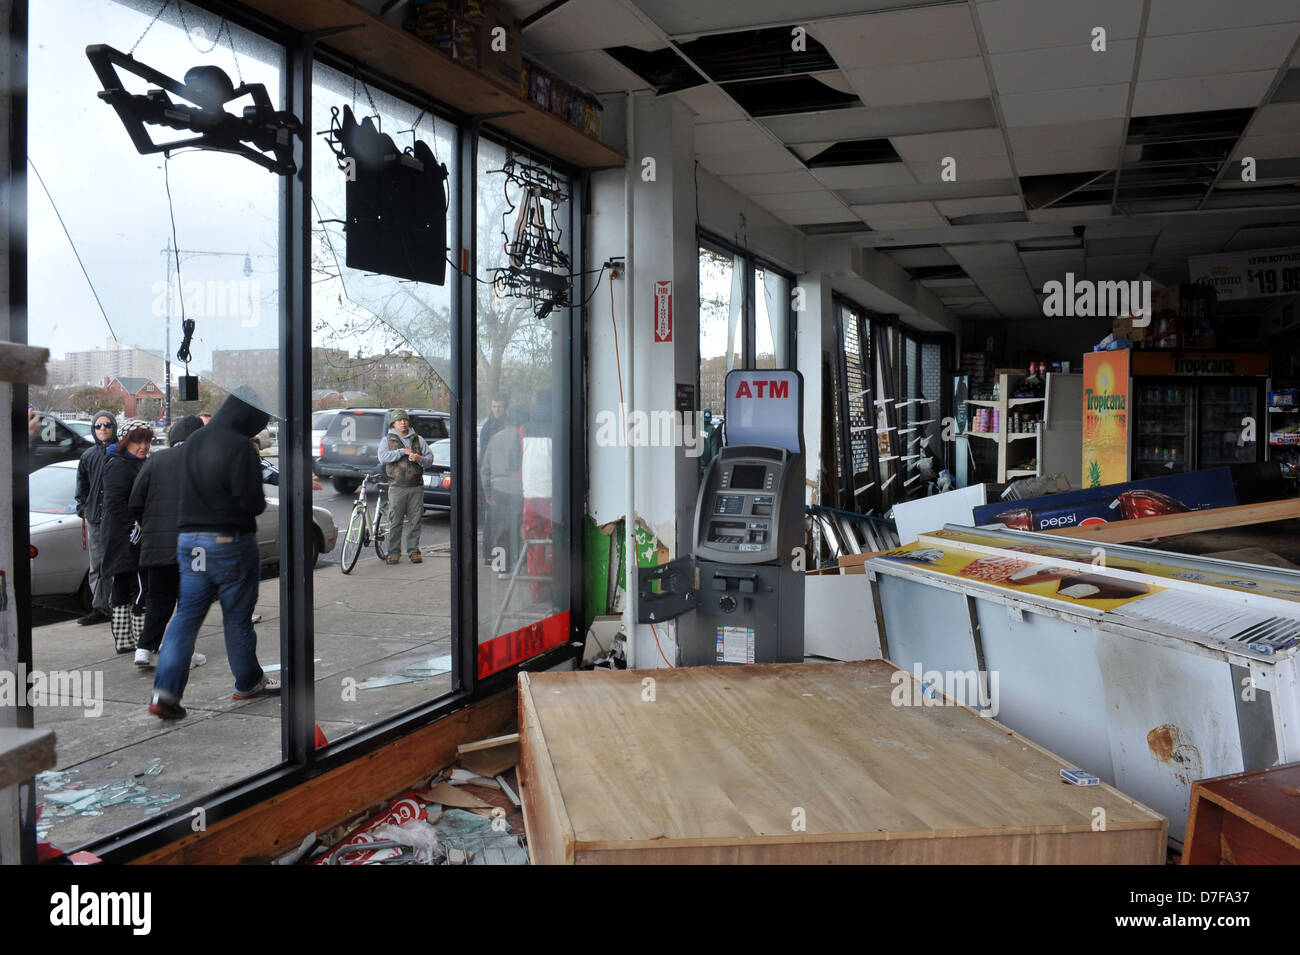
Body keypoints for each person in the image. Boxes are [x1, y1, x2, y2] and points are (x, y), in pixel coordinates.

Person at [149, 390, 279, 720]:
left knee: (186, 616)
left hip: (190, 542)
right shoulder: (240, 447)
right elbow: (253, 503)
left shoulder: (193, 440)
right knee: (236, 616)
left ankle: (165, 694)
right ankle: (248, 682)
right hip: (230, 541)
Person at [128, 415, 207, 670]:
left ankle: (144, 649)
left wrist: (152, 526)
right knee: (189, 602)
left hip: (156, 545)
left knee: (159, 600)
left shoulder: (155, 460)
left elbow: (135, 502)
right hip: (194, 545)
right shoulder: (205, 462)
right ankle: (184, 651)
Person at [100, 420, 153, 653]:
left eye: (147, 441)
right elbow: (114, 502)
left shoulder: (126, 462)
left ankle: (125, 641)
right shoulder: (120, 464)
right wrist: (135, 529)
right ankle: (144, 642)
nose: (144, 446)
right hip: (127, 536)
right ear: (125, 441)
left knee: (123, 586)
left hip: (121, 535)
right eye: (138, 441)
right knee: (140, 586)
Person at [73, 410, 118, 626]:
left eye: (107, 425)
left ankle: (121, 605)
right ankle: (100, 608)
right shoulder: (87, 456)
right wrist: (83, 507)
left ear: (114, 426)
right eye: (98, 426)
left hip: (118, 519)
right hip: (95, 519)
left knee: (121, 564)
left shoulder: (123, 451)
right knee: (97, 565)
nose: (103, 429)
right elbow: (81, 487)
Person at [377, 408, 434, 564]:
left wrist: (419, 458)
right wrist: (402, 451)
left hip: (416, 486)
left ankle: (414, 551)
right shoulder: (387, 440)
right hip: (397, 487)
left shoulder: (418, 439)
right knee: (395, 521)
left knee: (415, 521)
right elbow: (383, 457)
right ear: (394, 424)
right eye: (399, 420)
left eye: (405, 420)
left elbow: (430, 459)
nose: (403, 423)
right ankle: (393, 552)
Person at [481, 408, 524, 569]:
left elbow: (485, 469)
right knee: (515, 527)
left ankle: (500, 566)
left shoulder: (495, 438)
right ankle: (515, 562)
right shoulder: (522, 438)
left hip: (497, 489)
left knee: (498, 528)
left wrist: (487, 492)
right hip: (518, 489)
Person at [521, 390, 554, 602]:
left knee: (534, 545)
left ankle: (535, 592)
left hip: (529, 496)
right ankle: (549, 582)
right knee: (556, 542)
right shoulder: (557, 428)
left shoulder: (523, 430)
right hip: (551, 496)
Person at [478, 395, 507, 562]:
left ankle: (502, 552)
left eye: (500, 406)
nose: (497, 410)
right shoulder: (488, 428)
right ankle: (489, 553)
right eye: (494, 406)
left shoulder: (508, 425)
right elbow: (484, 459)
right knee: (491, 519)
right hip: (493, 479)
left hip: (506, 478)